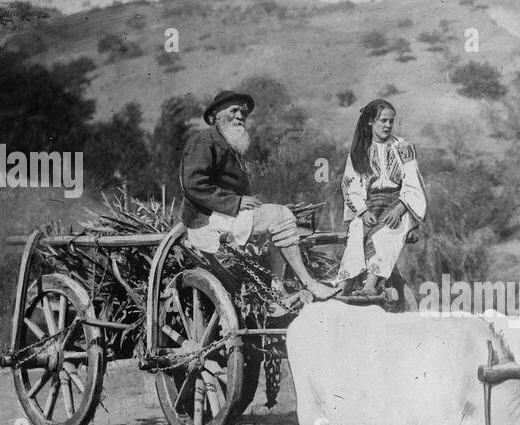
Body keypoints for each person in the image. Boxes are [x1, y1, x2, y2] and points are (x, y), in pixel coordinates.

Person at [179, 89, 339, 301]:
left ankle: (277, 288)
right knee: (281, 216)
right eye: (234, 110)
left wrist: (244, 203)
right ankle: (309, 282)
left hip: (224, 216)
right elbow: (193, 184)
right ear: (216, 113)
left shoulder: (229, 144)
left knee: (279, 220)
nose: (240, 117)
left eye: (243, 113)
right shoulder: (204, 141)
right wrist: (236, 202)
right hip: (205, 221)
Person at [337, 99, 427, 296]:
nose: (387, 125)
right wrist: (363, 210)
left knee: (388, 231)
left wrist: (399, 209)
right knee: (357, 230)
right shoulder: (360, 150)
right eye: (383, 120)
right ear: (370, 121)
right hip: (369, 204)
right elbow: (351, 186)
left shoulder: (402, 147)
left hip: (399, 204)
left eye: (391, 121)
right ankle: (344, 285)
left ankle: (370, 284)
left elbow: (413, 182)